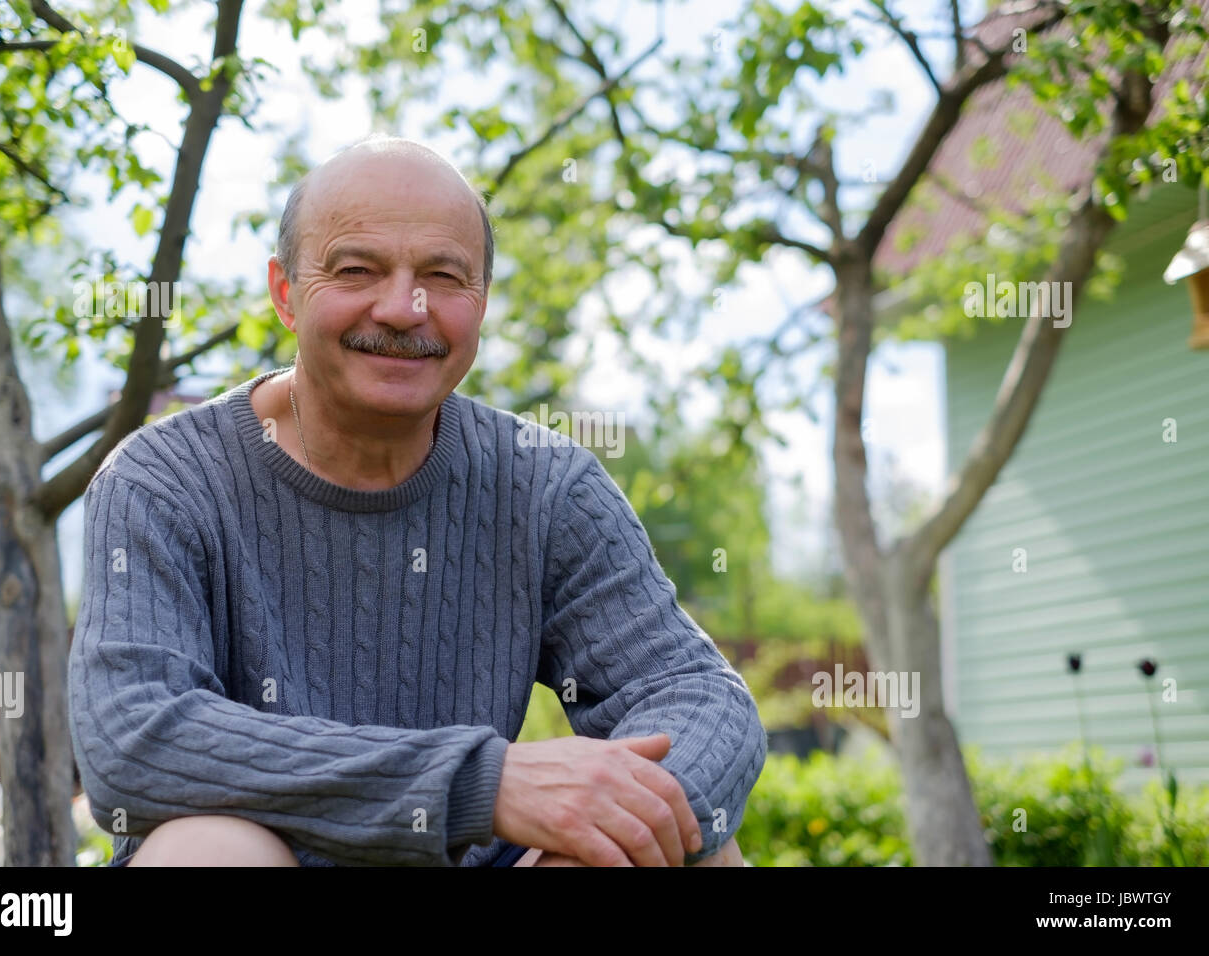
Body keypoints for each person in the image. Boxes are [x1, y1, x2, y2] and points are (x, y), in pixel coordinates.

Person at [67, 134, 766, 867]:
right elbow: (135, 739)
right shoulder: (160, 480)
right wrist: (478, 786)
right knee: (203, 851)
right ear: (285, 293)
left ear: (482, 302)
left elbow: (699, 695)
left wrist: (620, 814)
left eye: (443, 275)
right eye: (356, 269)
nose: (404, 308)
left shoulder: (547, 485)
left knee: (657, 842)